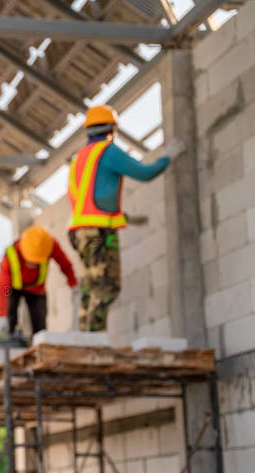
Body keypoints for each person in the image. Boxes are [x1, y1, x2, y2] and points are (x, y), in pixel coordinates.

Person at [68, 105, 183, 331]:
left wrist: (124, 217)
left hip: (79, 231)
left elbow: (92, 197)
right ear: (112, 129)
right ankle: (94, 339)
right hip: (100, 232)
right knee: (108, 285)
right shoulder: (107, 151)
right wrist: (166, 158)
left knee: (89, 286)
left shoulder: (79, 158)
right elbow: (144, 173)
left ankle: (84, 337)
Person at [0, 225, 78, 338]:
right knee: (9, 320)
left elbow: (65, 265)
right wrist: (2, 315)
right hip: (13, 289)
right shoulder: (11, 254)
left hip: (37, 289)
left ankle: (38, 348)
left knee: (40, 326)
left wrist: (73, 284)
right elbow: (4, 288)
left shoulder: (49, 245)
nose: (33, 265)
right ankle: (11, 338)